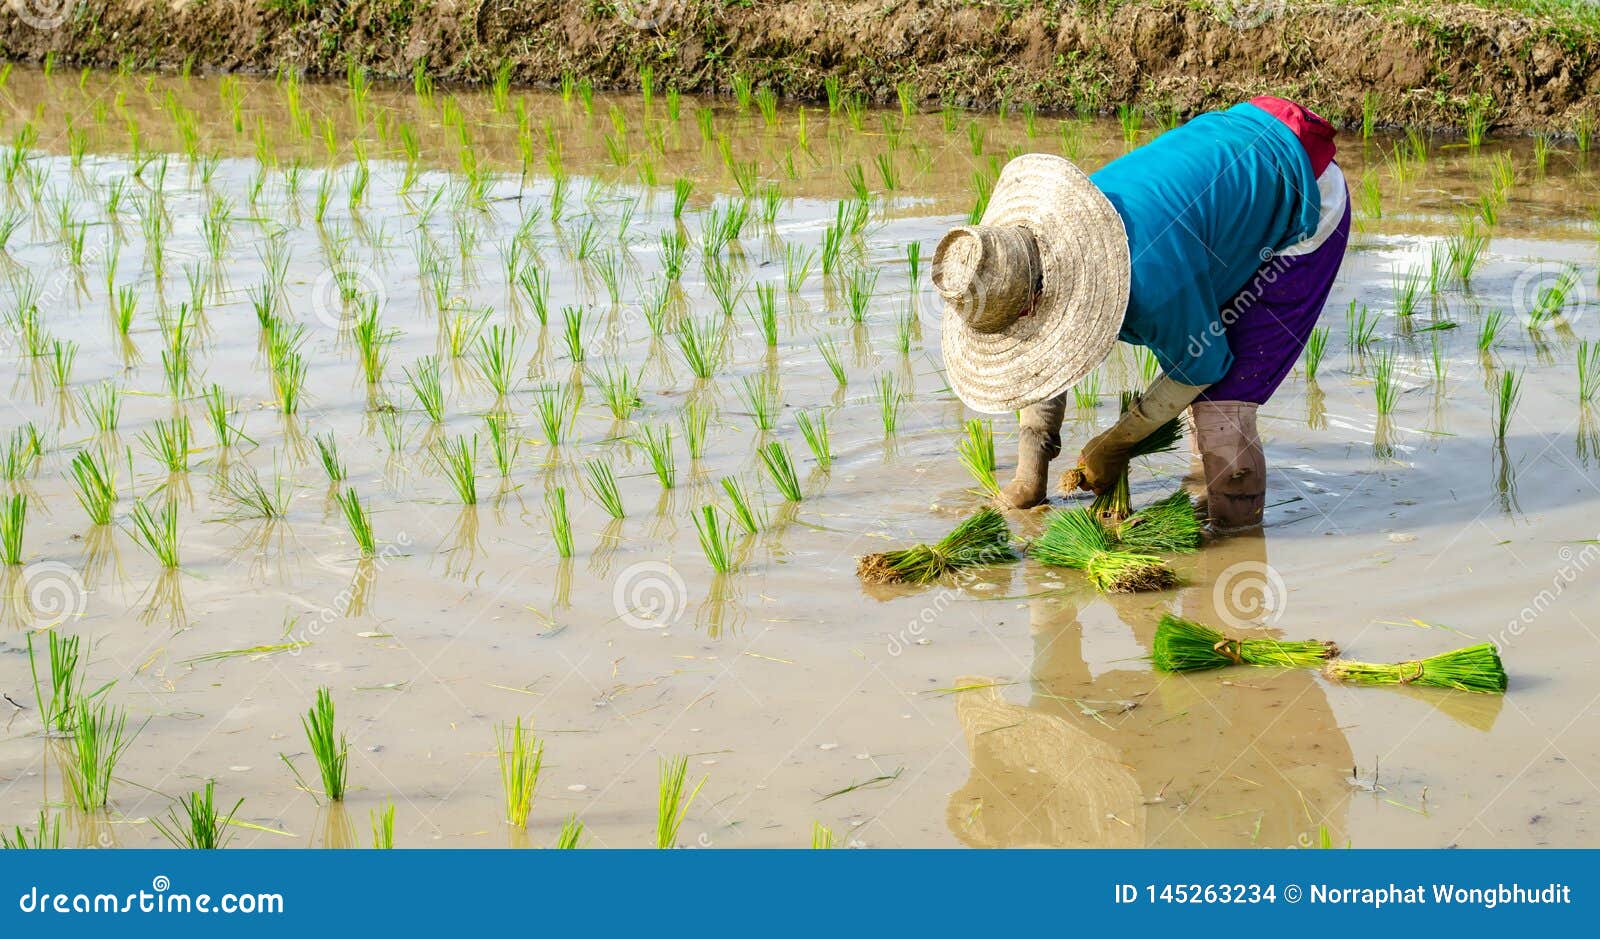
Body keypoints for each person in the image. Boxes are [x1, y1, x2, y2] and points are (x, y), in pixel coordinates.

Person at [932, 97, 1349, 529]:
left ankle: (1234, 540)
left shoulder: (1148, 280)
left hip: (1302, 190)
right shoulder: (1043, 237)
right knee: (1201, 387)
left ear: (1035, 301)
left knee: (1221, 409)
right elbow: (1040, 352)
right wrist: (1028, 478)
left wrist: (1117, 443)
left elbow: (1200, 365)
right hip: (1225, 172)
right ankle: (1200, 499)